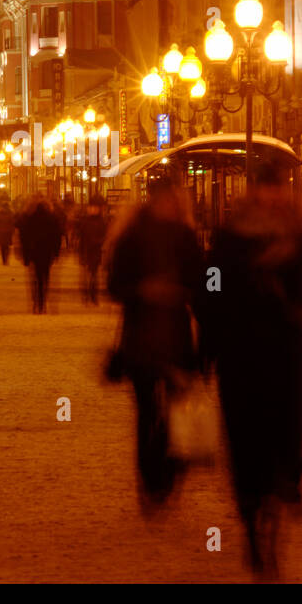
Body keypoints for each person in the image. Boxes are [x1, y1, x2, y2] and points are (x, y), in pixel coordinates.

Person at [200, 163, 302, 580]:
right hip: (240, 358)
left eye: (279, 189)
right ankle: (250, 523)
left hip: (289, 357)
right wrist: (207, 346)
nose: (273, 198)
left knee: (286, 441)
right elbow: (208, 291)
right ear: (253, 193)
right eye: (266, 190)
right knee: (244, 445)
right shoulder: (228, 242)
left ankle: (271, 524)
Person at [106, 175, 204, 511]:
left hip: (176, 339)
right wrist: (144, 291)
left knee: (177, 413)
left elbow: (203, 284)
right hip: (141, 340)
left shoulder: (185, 236)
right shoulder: (132, 236)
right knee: (147, 412)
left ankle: (169, 472)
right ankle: (149, 480)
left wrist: (192, 296)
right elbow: (115, 285)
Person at [17, 195, 62, 314]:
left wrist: (25, 255)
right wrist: (56, 253)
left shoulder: (30, 219)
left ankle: (36, 301)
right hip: (46, 253)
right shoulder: (52, 219)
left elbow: (24, 238)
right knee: (45, 277)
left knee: (35, 278)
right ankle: (43, 302)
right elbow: (57, 237)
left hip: (34, 252)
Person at [77, 195, 107, 305]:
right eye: (91, 207)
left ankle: (93, 296)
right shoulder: (85, 221)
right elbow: (81, 237)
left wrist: (98, 242)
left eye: (95, 208)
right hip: (86, 251)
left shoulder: (102, 222)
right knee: (86, 275)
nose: (92, 209)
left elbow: (104, 236)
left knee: (94, 275)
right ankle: (86, 295)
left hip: (95, 251)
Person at [0, 201, 16, 265]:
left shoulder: (0, 213)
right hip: (7, 232)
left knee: (3, 246)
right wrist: (13, 231)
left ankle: (4, 260)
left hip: (2, 232)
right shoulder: (11, 213)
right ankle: (6, 259)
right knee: (6, 246)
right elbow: (12, 223)